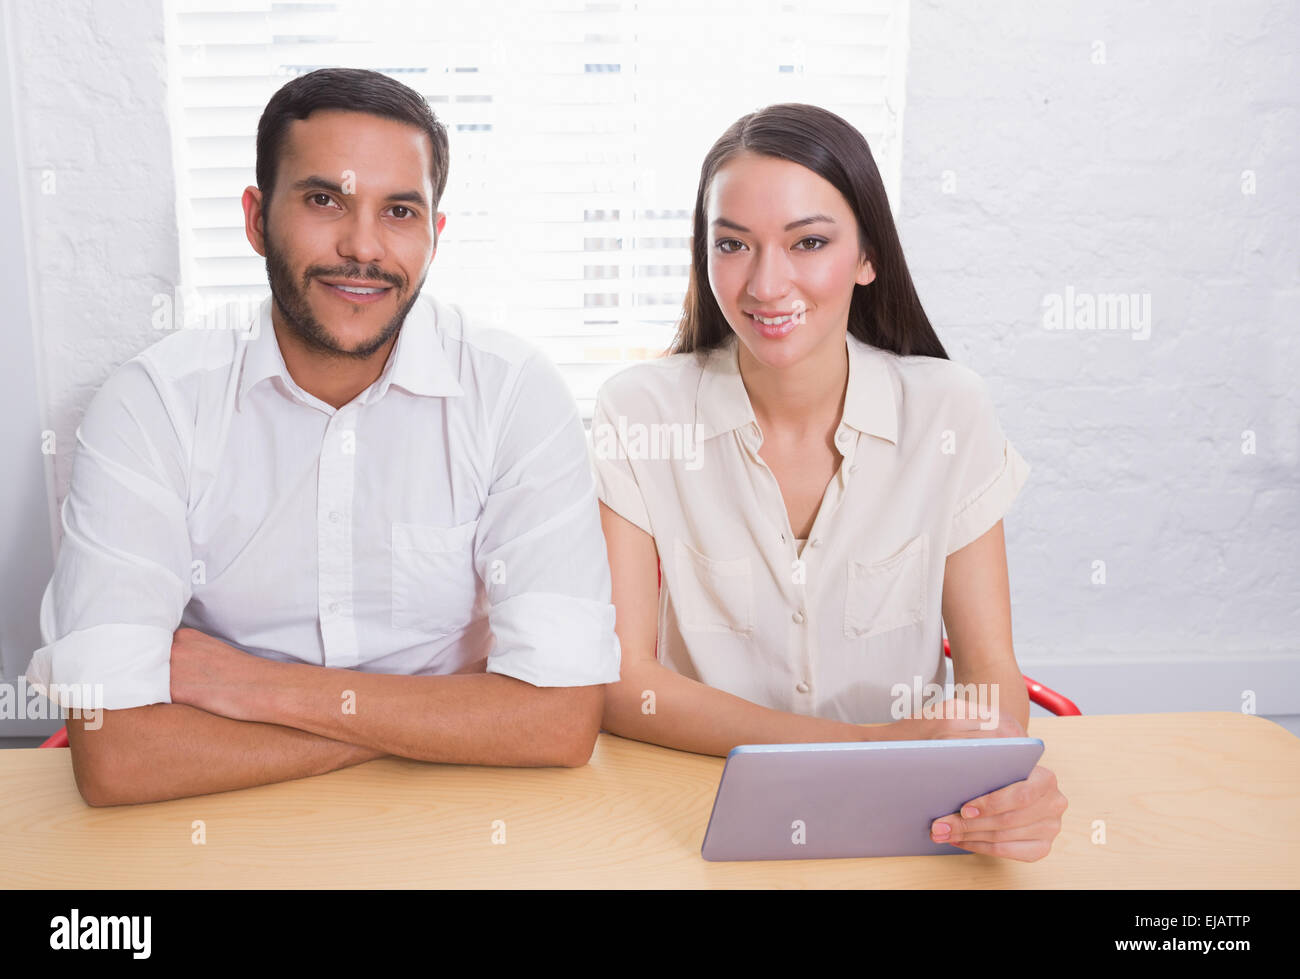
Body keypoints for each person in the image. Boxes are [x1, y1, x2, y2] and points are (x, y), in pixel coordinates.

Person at [25, 67, 620, 806]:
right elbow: (118, 755)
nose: (363, 247)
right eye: (323, 200)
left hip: (457, 816)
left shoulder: (514, 394)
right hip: (223, 821)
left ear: (434, 237)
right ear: (255, 218)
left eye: (399, 211)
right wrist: (458, 719)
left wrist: (258, 687)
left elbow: (558, 722)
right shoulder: (153, 406)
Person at [592, 103, 1066, 861]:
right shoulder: (638, 411)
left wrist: (995, 773)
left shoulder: (949, 409)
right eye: (733, 244)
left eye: (808, 242)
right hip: (685, 804)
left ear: (867, 255)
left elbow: (988, 672)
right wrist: (865, 746)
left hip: (907, 822)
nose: (766, 282)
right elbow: (623, 683)